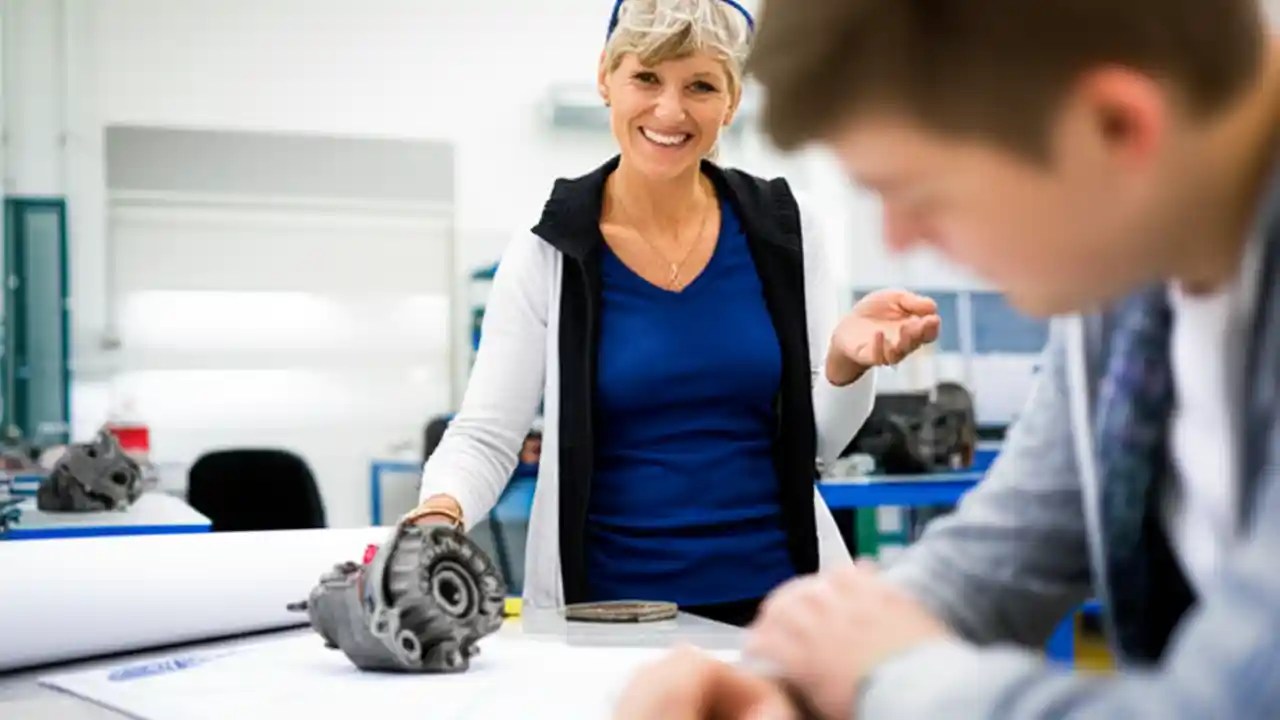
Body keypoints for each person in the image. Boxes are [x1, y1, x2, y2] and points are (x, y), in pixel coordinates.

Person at [614, 0, 1280, 716]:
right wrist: (787, 681)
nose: (901, 240)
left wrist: (888, 678)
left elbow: (1225, 705)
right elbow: (1018, 542)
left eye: (919, 193)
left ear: (1116, 128)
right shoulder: (1132, 264)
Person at [402, 0, 941, 627]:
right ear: (606, 77)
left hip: (781, 610)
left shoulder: (786, 232)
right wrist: (439, 512)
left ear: (732, 101)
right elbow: (487, 435)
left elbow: (817, 447)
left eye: (701, 86)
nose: (669, 110)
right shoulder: (549, 250)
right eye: (647, 78)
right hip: (605, 615)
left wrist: (846, 365)